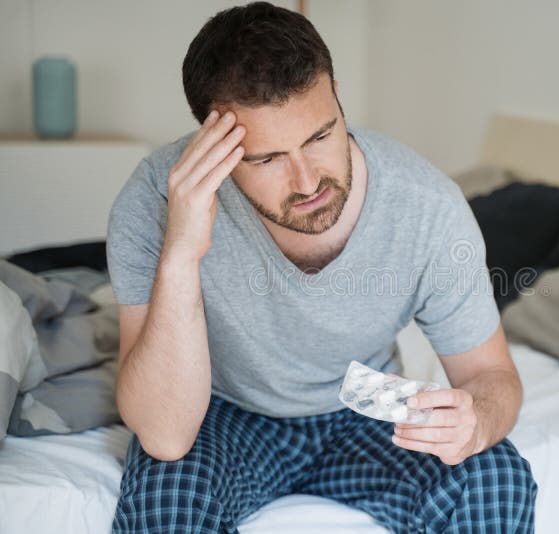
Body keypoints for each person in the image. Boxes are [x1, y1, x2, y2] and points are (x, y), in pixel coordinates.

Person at [107, 2, 536, 532]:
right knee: (167, 498)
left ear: (337, 97)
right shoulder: (153, 199)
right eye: (265, 159)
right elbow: (165, 434)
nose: (308, 182)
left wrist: (476, 424)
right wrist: (181, 253)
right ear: (209, 144)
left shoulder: (429, 207)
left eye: (320, 137)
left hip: (364, 403)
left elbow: (491, 377)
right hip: (225, 408)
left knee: (497, 475)